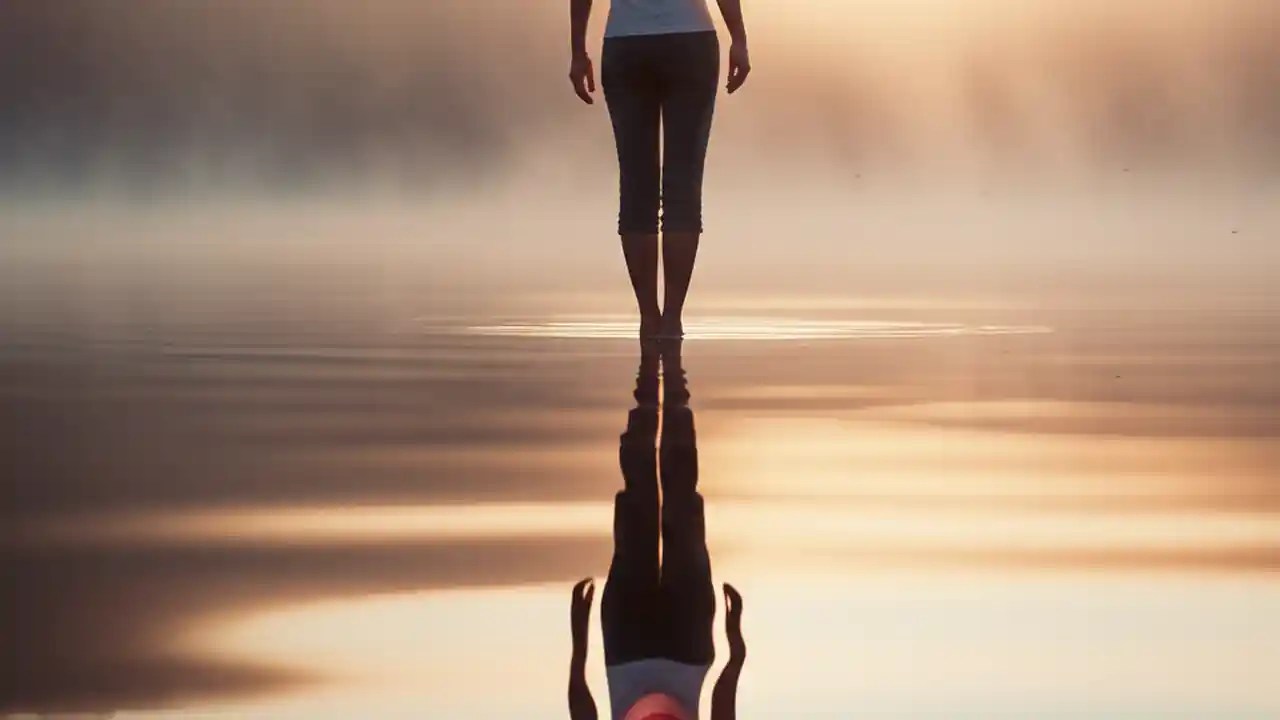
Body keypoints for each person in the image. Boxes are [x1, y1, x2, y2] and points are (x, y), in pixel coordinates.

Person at [568, 342, 747, 720]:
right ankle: (670, 374)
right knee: (678, 505)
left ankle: (650, 374)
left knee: (643, 502)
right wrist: (735, 651)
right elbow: (723, 714)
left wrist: (579, 648)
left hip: (635, 647)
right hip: (681, 646)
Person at [569, 0, 752, 340]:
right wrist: (738, 38)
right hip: (691, 41)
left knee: (637, 187)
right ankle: (672, 318)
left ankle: (649, 317)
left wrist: (578, 50)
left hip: (627, 43)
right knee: (683, 185)